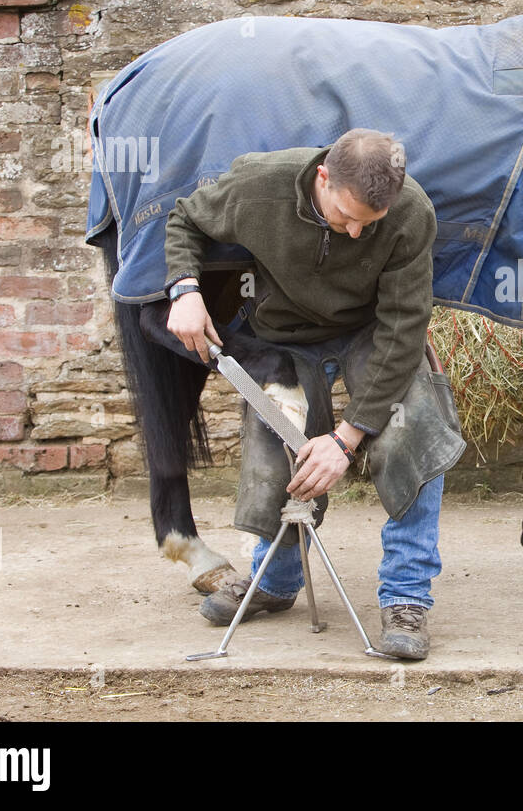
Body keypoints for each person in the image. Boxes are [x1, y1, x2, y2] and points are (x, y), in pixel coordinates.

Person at [162, 128, 464, 658]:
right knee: (278, 438)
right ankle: (275, 581)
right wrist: (184, 289)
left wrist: (347, 438)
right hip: (286, 333)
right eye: (344, 217)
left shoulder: (410, 212)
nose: (353, 233)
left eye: (366, 225)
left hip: (373, 332)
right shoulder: (259, 185)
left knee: (410, 430)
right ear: (323, 177)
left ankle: (406, 596)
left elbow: (403, 327)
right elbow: (185, 216)